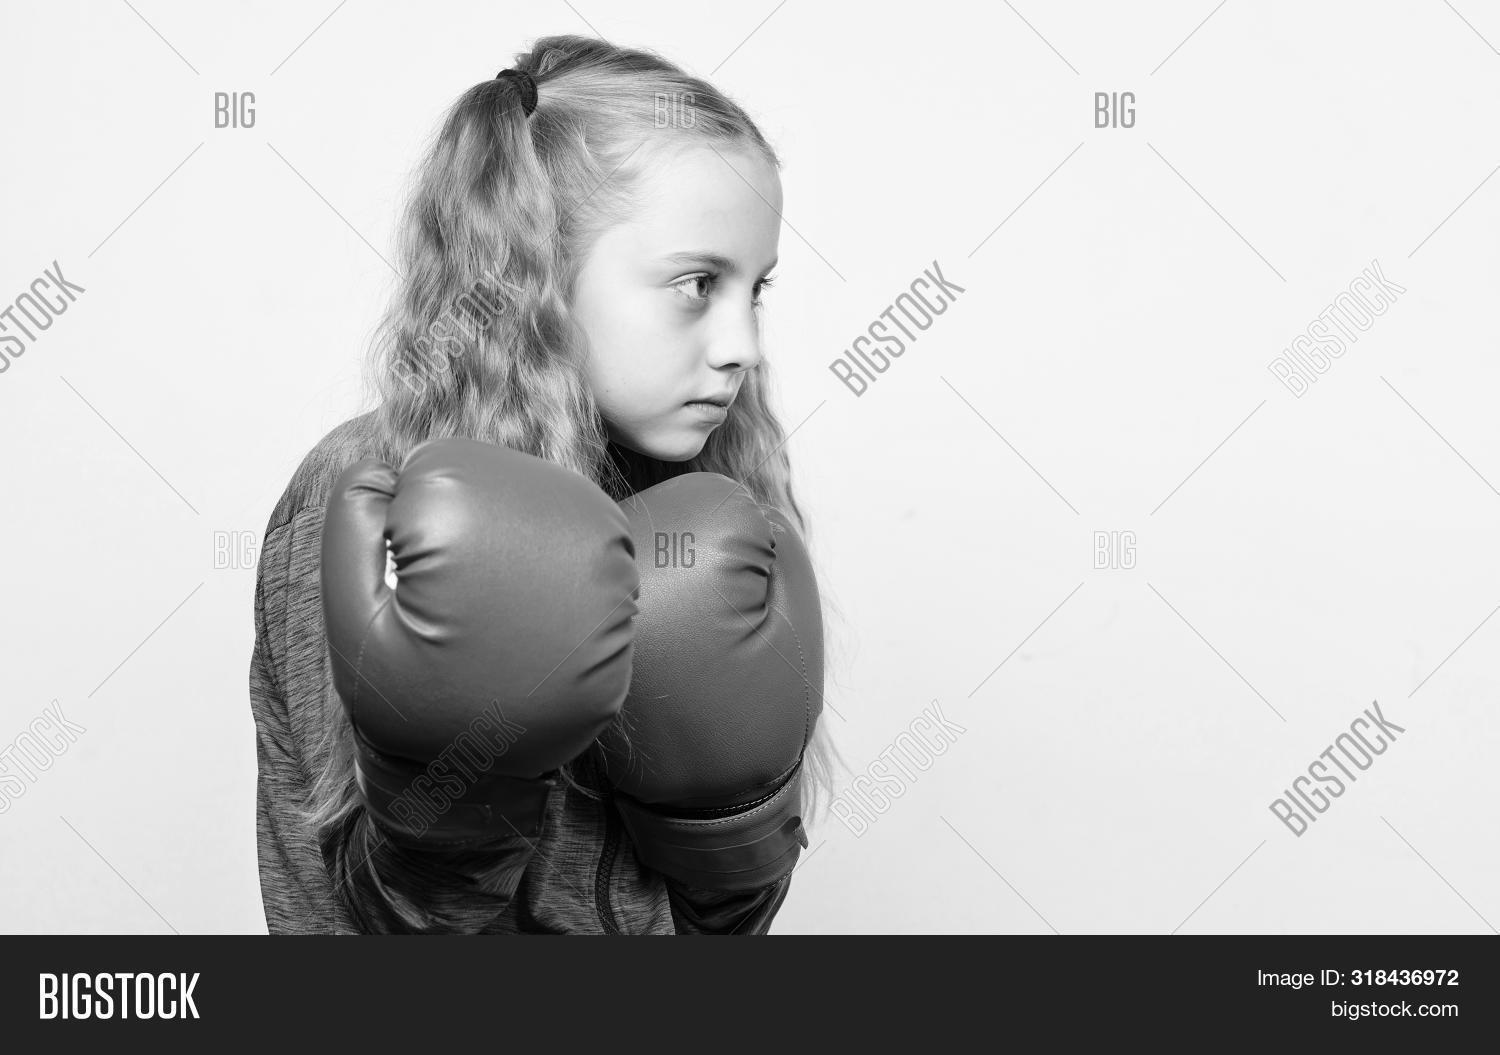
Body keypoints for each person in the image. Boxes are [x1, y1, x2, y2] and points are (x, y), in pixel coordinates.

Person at [249, 34, 839, 934]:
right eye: (697, 284)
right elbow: (348, 923)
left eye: (754, 290)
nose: (742, 348)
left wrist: (731, 834)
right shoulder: (372, 496)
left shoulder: (708, 512)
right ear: (544, 273)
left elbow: (719, 935)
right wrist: (454, 799)